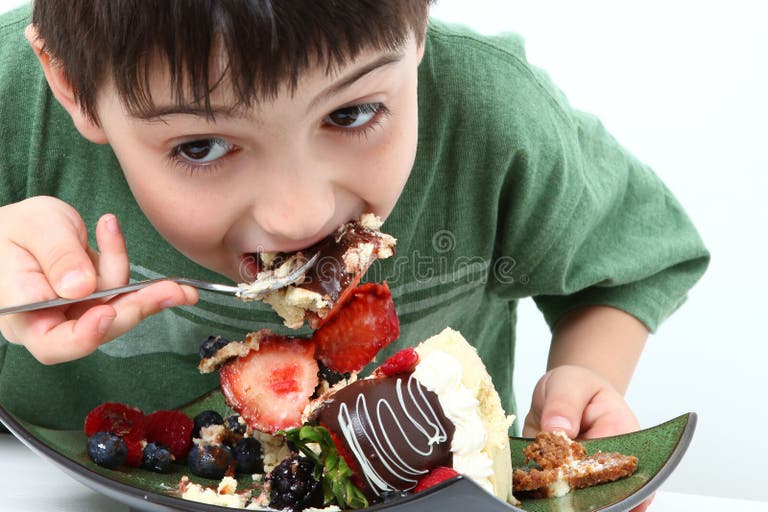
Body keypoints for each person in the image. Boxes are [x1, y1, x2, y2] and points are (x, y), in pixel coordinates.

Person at [0, 2, 707, 507]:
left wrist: (584, 372)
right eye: (200, 146)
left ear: (420, 18)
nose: (299, 213)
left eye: (351, 113)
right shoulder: (13, 111)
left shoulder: (495, 120)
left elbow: (633, 260)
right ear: (72, 85)